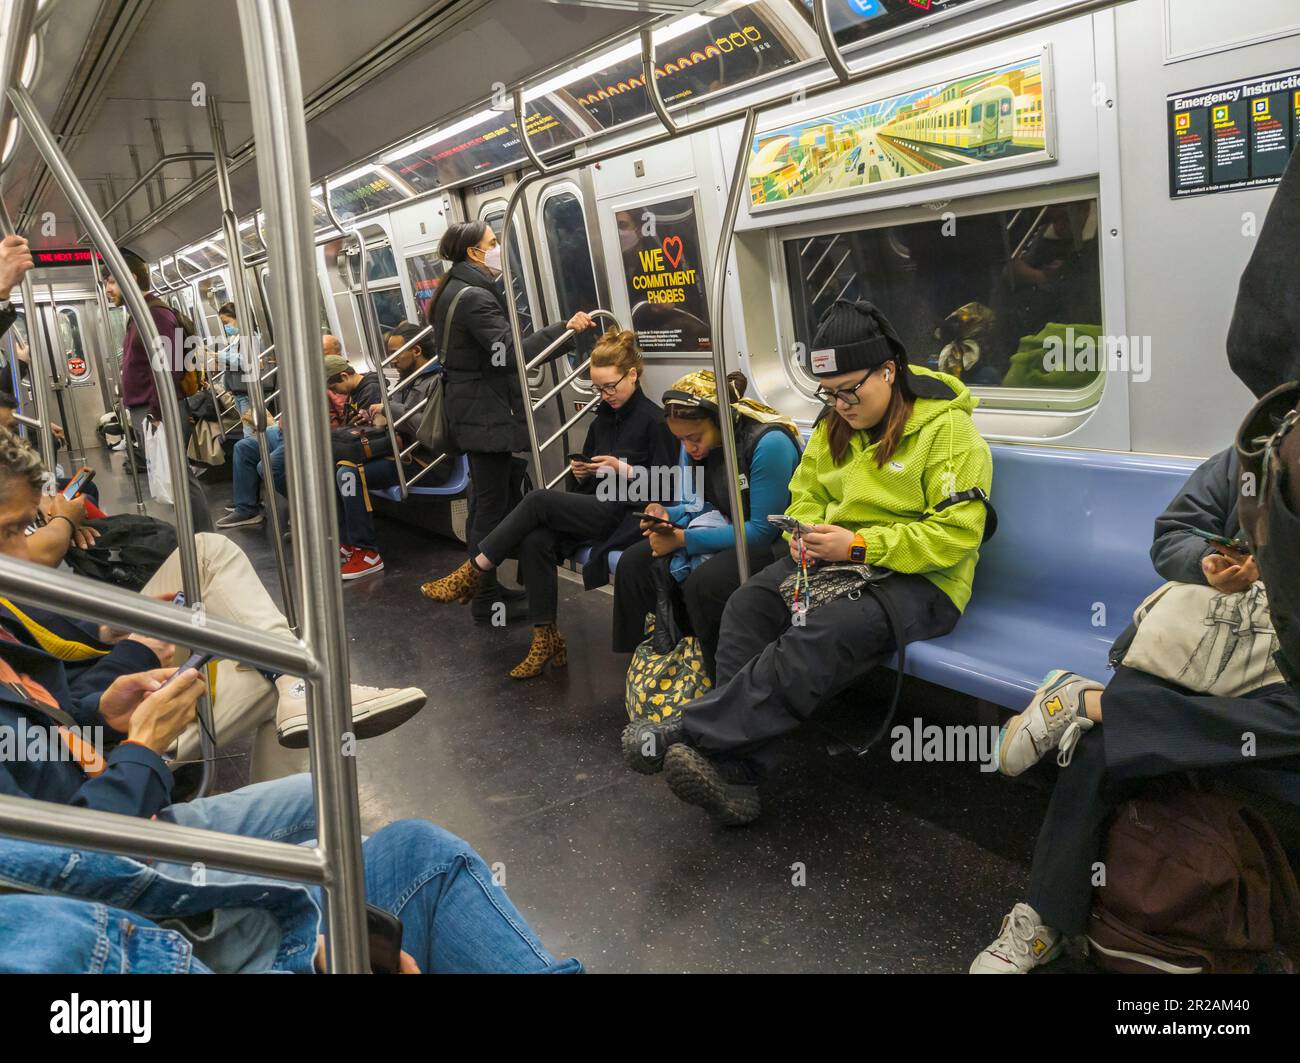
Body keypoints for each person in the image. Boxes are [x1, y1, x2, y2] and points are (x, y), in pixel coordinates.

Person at [622, 300, 993, 826]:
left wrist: (860, 546)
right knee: (748, 604)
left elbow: (955, 536)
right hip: (834, 561)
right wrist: (803, 533)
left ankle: (691, 731)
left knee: (820, 630)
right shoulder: (832, 427)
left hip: (923, 579)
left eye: (850, 390)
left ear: (888, 371)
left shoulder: (950, 434)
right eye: (829, 393)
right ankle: (740, 772)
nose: (839, 404)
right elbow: (804, 496)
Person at [0, 635, 577, 973]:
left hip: (101, 793)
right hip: (107, 825)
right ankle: (293, 681)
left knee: (326, 801)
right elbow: (68, 871)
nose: (28, 542)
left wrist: (98, 711)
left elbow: (45, 713)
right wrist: (142, 748)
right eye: (15, 528)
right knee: (417, 856)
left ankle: (290, 682)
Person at [970, 448, 1300, 973]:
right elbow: (1173, 538)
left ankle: (1089, 703)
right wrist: (1208, 564)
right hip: (1196, 649)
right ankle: (1046, 918)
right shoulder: (1248, 461)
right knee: (1101, 748)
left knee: (1120, 726)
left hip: (1283, 669)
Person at [0, 426, 426, 766]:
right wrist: (135, 652)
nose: (21, 547)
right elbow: (60, 712)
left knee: (270, 678)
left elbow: (44, 640)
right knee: (212, 559)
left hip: (91, 682)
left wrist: (104, 627)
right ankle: (297, 681)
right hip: (99, 726)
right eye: (10, 530)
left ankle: (285, 844)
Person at [426, 329, 676, 678]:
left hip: (628, 513)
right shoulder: (603, 417)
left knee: (539, 499)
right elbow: (589, 474)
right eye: (598, 388)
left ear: (632, 374)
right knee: (535, 539)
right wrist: (584, 471)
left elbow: (670, 486)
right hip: (599, 505)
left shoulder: (654, 421)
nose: (605, 396)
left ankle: (476, 568)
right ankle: (546, 639)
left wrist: (623, 469)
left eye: (610, 386)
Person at [421, 220, 596, 623]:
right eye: (492, 242)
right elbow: (507, 353)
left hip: (474, 409)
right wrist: (563, 332)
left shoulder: (452, 288)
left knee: (487, 500)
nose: (498, 248)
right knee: (490, 507)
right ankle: (484, 597)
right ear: (474, 252)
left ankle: (489, 590)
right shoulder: (474, 297)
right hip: (485, 414)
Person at [612, 369, 802, 681]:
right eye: (681, 440)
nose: (688, 448)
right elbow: (696, 504)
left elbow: (762, 531)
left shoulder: (769, 444)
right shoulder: (695, 445)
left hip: (777, 544)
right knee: (634, 563)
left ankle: (721, 682)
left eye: (694, 438)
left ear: (720, 421)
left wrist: (683, 540)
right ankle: (654, 667)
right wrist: (667, 516)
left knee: (707, 582)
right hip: (725, 524)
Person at [335, 322, 448, 580]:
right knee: (338, 464)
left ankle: (367, 553)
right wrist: (373, 416)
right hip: (403, 453)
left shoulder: (437, 381)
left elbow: (432, 433)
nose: (392, 360)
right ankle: (349, 544)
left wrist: (389, 408)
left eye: (396, 353)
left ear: (416, 350)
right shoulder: (407, 381)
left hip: (428, 461)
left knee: (349, 475)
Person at [217, 335, 342, 530]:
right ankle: (247, 508)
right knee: (244, 447)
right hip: (284, 431)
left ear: (336, 354)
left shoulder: (339, 379)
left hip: (306, 437)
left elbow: (339, 415)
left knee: (267, 466)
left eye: (324, 353)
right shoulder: (309, 374)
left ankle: (308, 510)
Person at [103, 249, 194, 457]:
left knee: (177, 478)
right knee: (164, 479)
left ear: (131, 279)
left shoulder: (155, 314)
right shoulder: (139, 314)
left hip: (158, 411)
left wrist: (157, 410)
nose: (108, 289)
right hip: (147, 409)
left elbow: (169, 366)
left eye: (112, 282)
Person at [216, 301, 253, 437]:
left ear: (239, 318)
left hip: (247, 393)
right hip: (238, 392)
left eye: (227, 322)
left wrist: (219, 355)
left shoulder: (251, 337)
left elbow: (243, 360)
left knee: (249, 433)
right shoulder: (235, 339)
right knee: (247, 430)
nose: (226, 327)